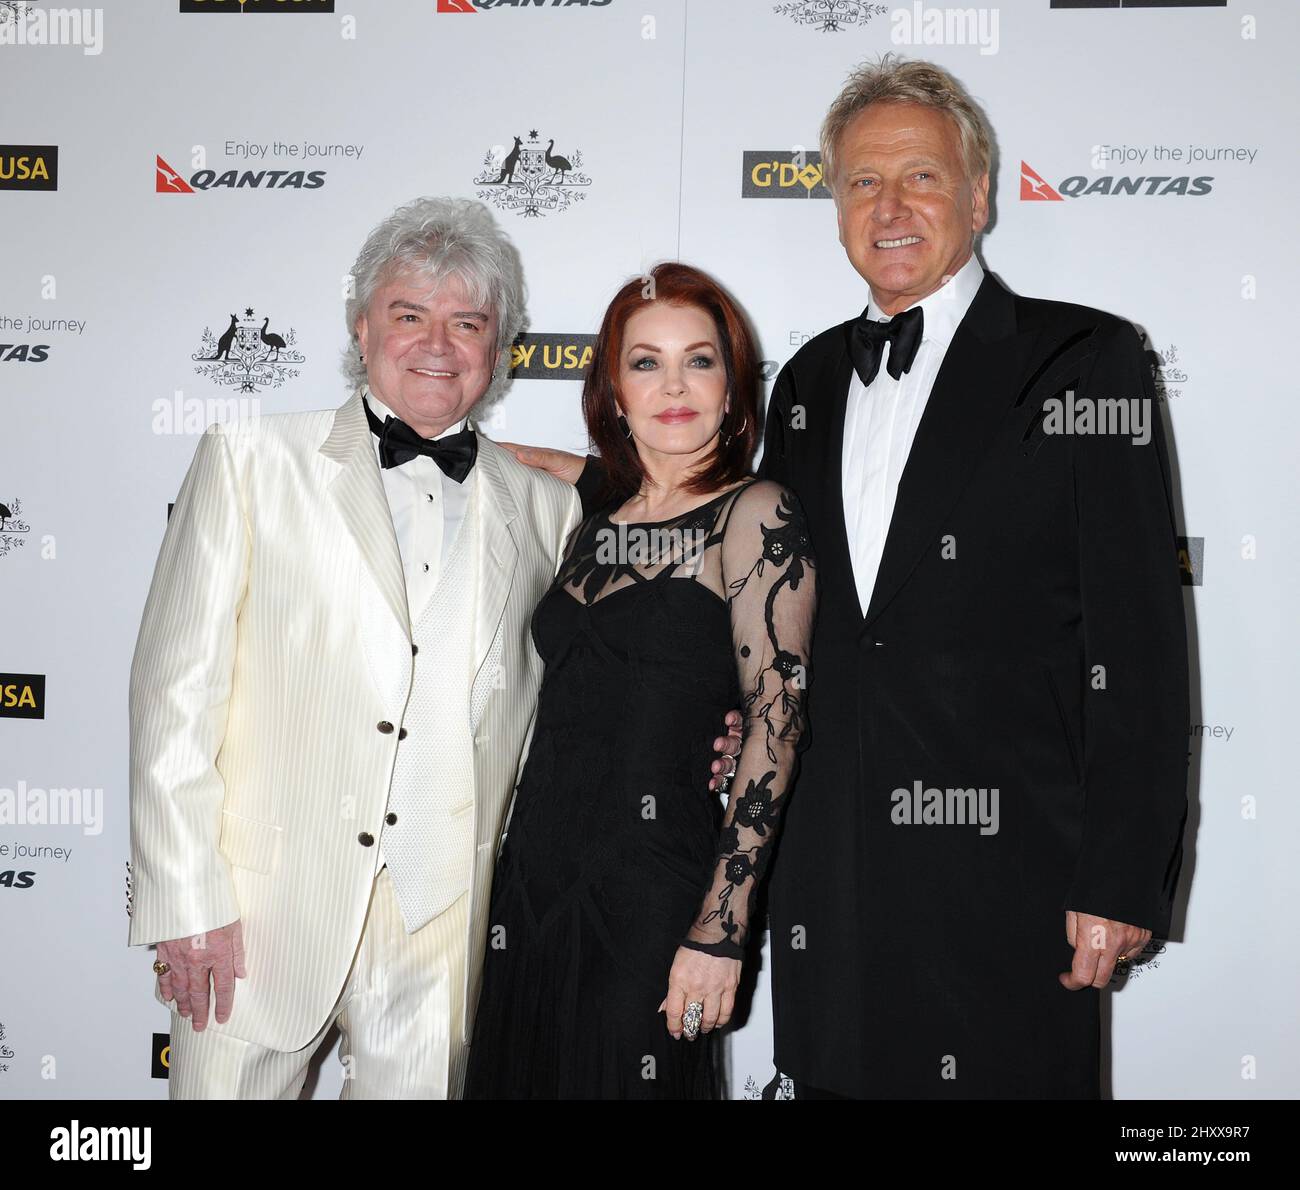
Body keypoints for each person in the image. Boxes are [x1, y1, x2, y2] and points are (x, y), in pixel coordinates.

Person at [506, 56, 1190, 1099]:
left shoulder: (1083, 359)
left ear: (979, 191)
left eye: (920, 175)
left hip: (1009, 872)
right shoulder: (814, 376)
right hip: (827, 871)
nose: (891, 205)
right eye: (862, 182)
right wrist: (574, 473)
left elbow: (1139, 645)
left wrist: (1117, 879)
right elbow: (725, 532)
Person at [128, 196, 736, 1100]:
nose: (437, 345)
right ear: (361, 324)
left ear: (500, 349)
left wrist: (709, 735)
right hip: (257, 920)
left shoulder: (546, 508)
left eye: (468, 323)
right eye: (409, 315)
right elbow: (171, 699)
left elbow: (653, 590)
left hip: (446, 931)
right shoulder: (250, 461)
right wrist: (185, 903)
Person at [463, 262, 817, 1099]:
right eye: (645, 362)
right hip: (531, 882)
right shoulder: (591, 519)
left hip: (653, 893)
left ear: (734, 389)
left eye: (700, 360)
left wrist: (720, 931)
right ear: (613, 389)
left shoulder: (756, 514)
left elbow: (778, 718)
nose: (674, 386)